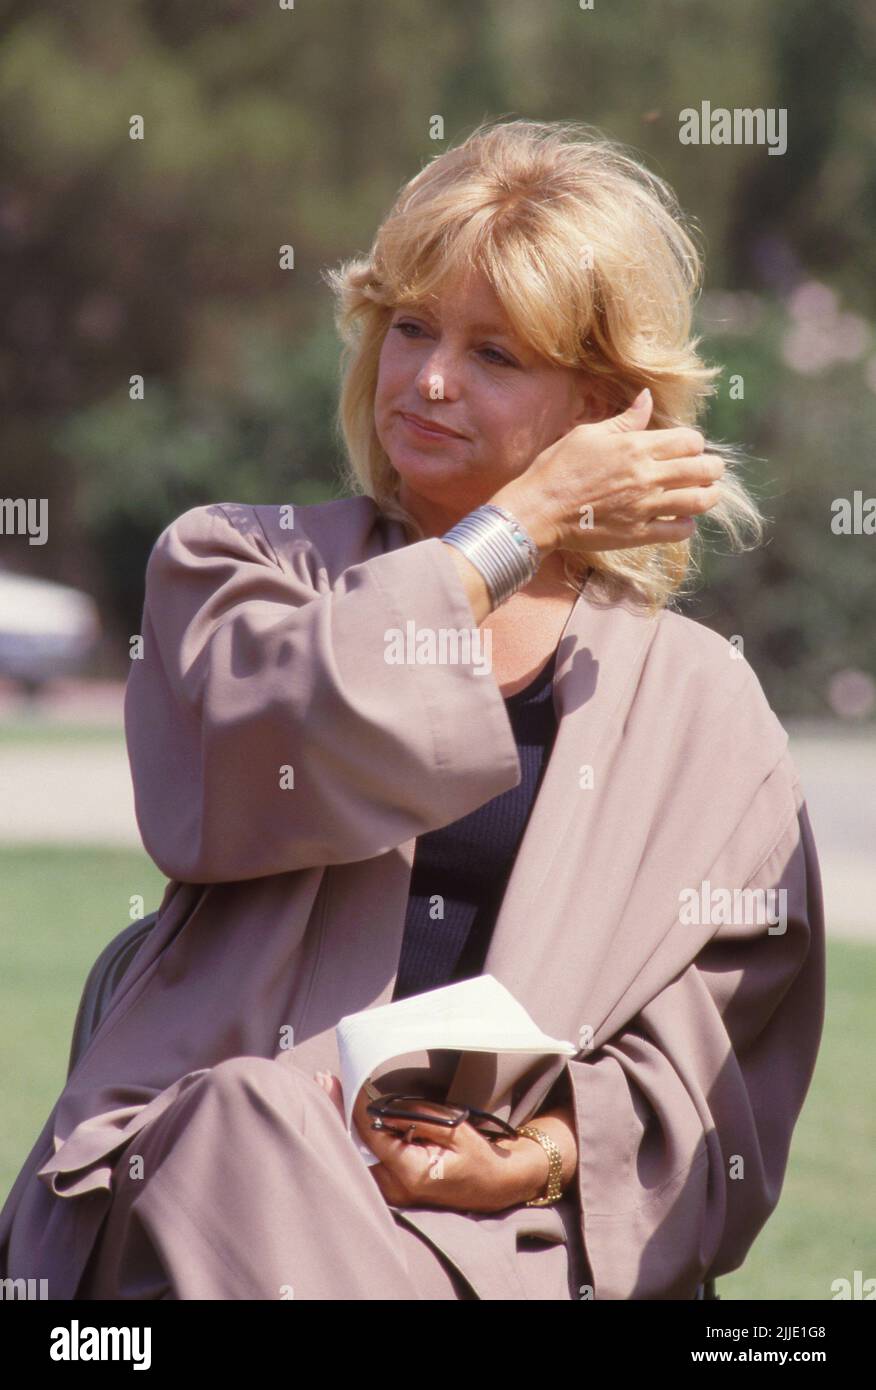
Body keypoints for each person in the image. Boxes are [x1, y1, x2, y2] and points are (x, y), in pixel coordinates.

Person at [0, 117, 824, 1301]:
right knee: (248, 1120)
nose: (429, 378)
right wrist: (509, 533)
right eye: (411, 328)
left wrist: (538, 1158)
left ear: (602, 407)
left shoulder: (707, 709)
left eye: (496, 354)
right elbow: (258, 743)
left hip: (512, 1249)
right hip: (208, 1206)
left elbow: (717, 1071)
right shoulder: (244, 569)